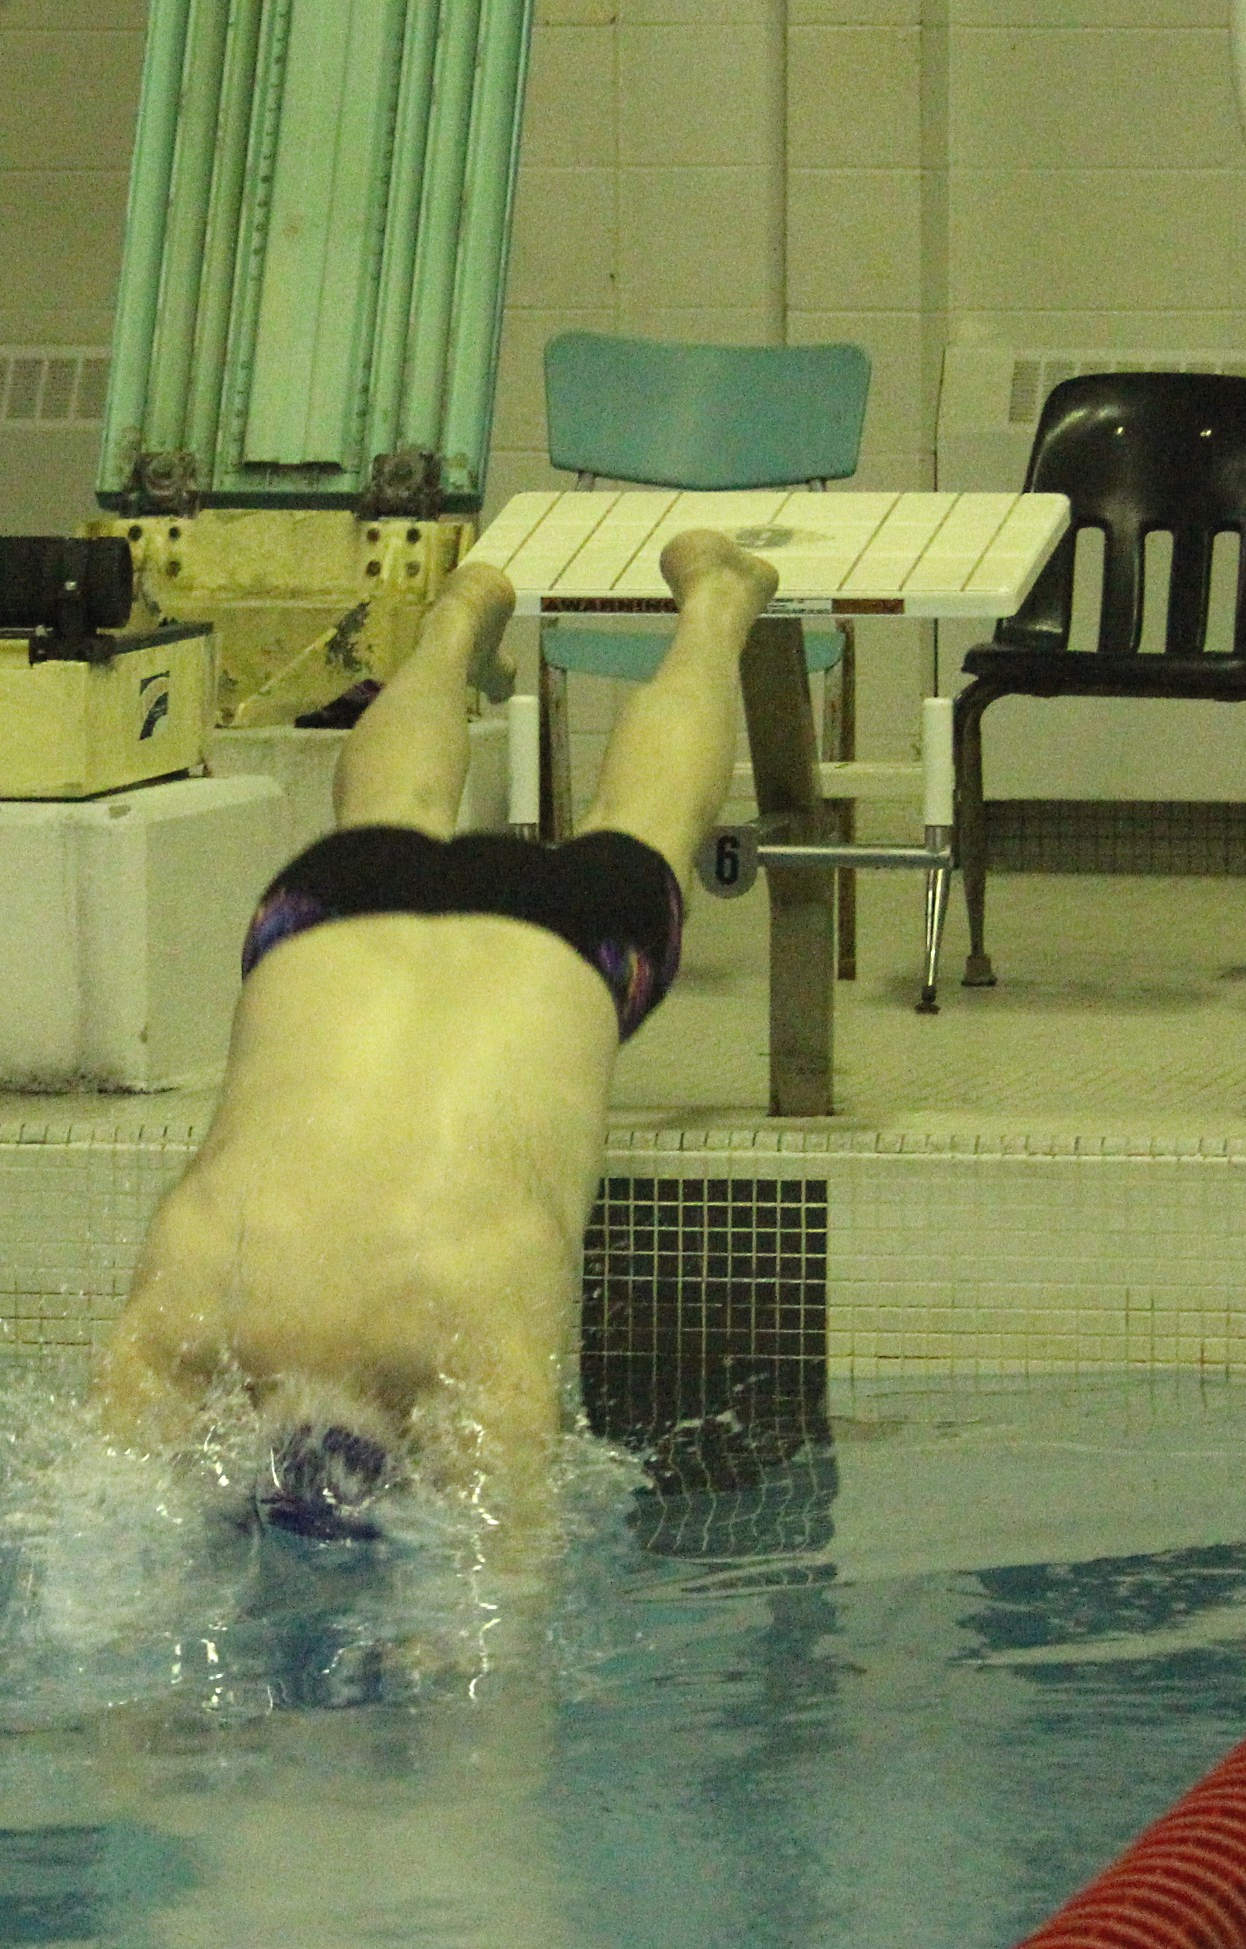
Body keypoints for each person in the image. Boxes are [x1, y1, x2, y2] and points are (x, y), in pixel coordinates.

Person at [95, 527, 776, 1542]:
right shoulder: (207, 1292)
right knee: (399, 809)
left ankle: (596, 606)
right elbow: (489, 1593)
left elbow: (103, 1550)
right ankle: (587, 606)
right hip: (338, 913)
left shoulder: (443, 1315)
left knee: (642, 822)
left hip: (565, 947)